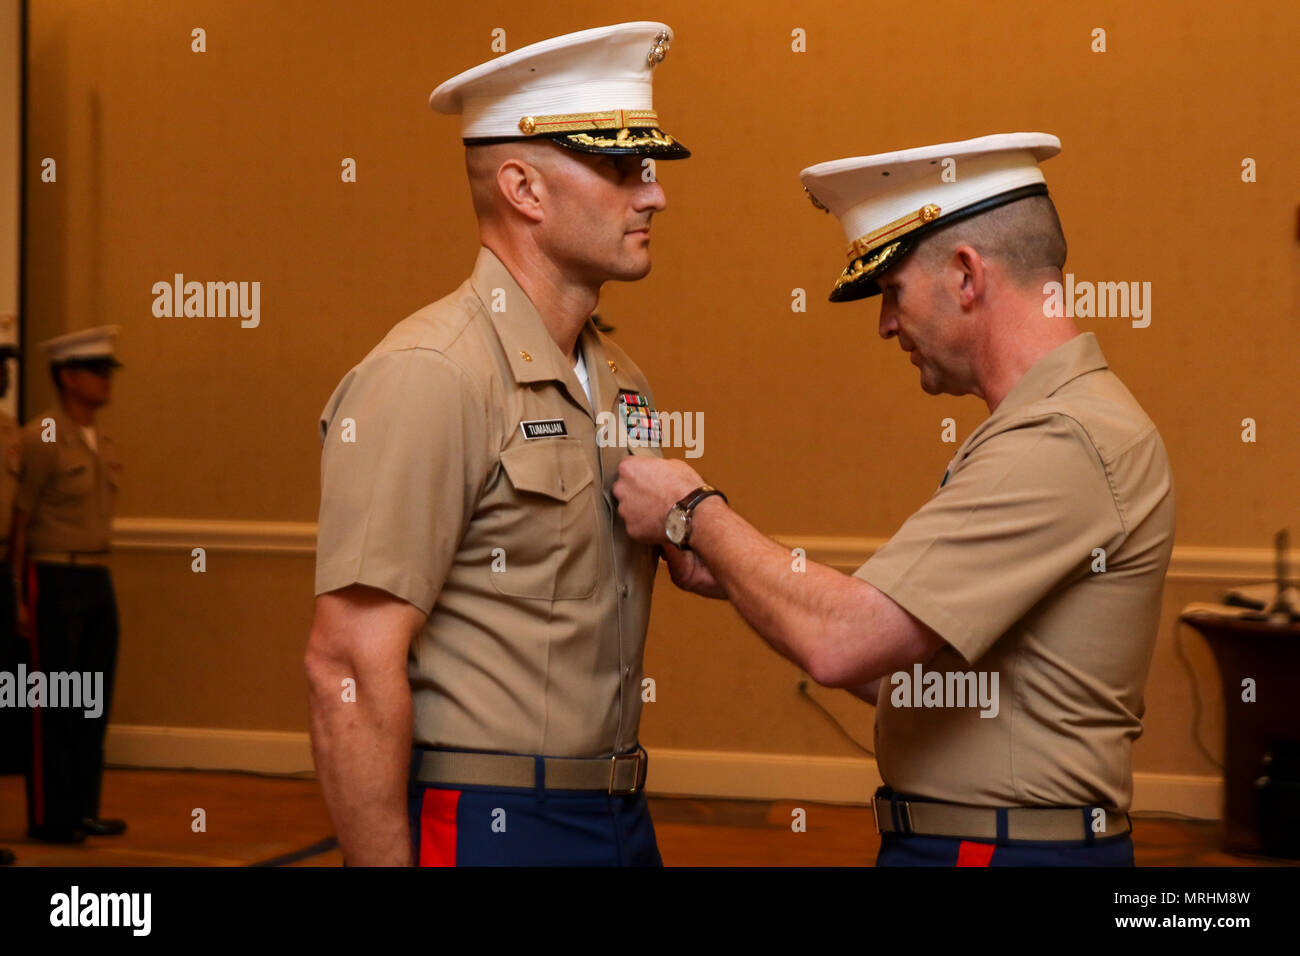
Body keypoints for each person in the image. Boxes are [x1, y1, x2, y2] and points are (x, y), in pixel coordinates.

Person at [612, 133, 1176, 866]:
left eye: (891, 291)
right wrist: (729, 574)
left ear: (967, 275)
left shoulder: (1062, 439)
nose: (884, 325)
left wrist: (694, 510)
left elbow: (844, 642)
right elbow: (915, 676)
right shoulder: (1049, 427)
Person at [306, 22, 690, 866]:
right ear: (523, 187)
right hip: (494, 821)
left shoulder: (624, 380)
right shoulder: (429, 374)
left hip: (619, 813)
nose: (654, 194)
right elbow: (349, 664)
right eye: (622, 169)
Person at [13, 325, 127, 844]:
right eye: (97, 371)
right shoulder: (40, 438)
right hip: (53, 574)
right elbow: (20, 521)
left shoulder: (100, 440)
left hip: (96, 576)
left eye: (108, 371)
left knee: (92, 700)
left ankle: (82, 808)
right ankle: (50, 817)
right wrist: (18, 595)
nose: (107, 380)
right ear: (67, 376)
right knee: (53, 701)